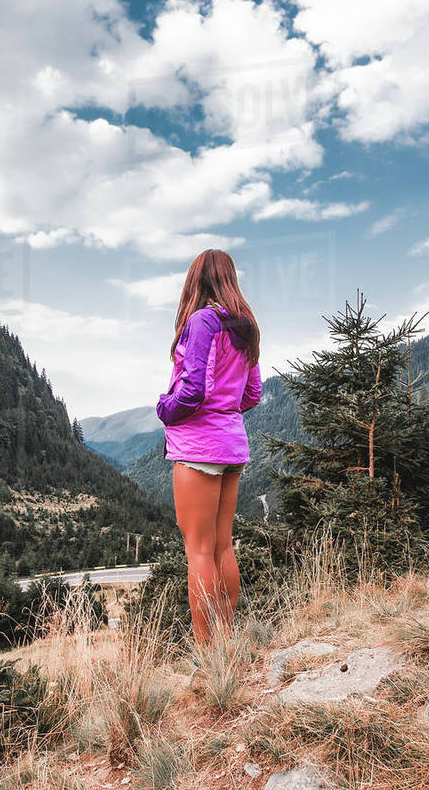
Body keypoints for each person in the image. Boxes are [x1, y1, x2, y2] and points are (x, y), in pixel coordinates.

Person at [156, 249, 261, 644]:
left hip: (198, 448)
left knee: (197, 550)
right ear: (230, 278)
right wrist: (226, 408)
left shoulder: (202, 321)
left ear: (195, 281)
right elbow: (253, 392)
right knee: (221, 546)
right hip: (232, 447)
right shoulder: (246, 326)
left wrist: (164, 409)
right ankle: (225, 640)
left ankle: (206, 654)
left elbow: (192, 391)